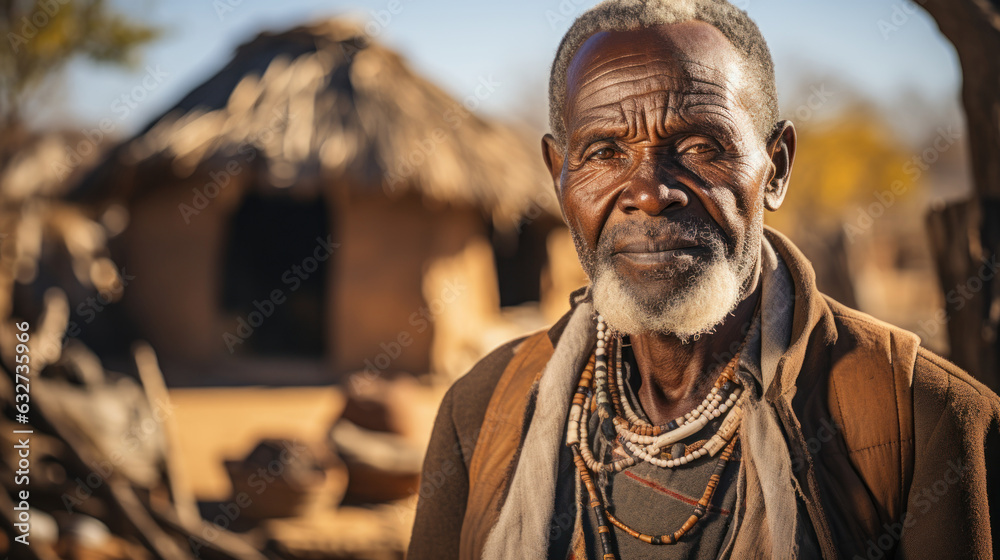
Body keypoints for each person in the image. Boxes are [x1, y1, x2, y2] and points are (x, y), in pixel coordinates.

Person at [407, 1, 1000, 558]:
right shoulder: (479, 413)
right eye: (605, 152)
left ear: (776, 168)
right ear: (559, 176)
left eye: (698, 145)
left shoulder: (928, 421)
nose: (649, 192)